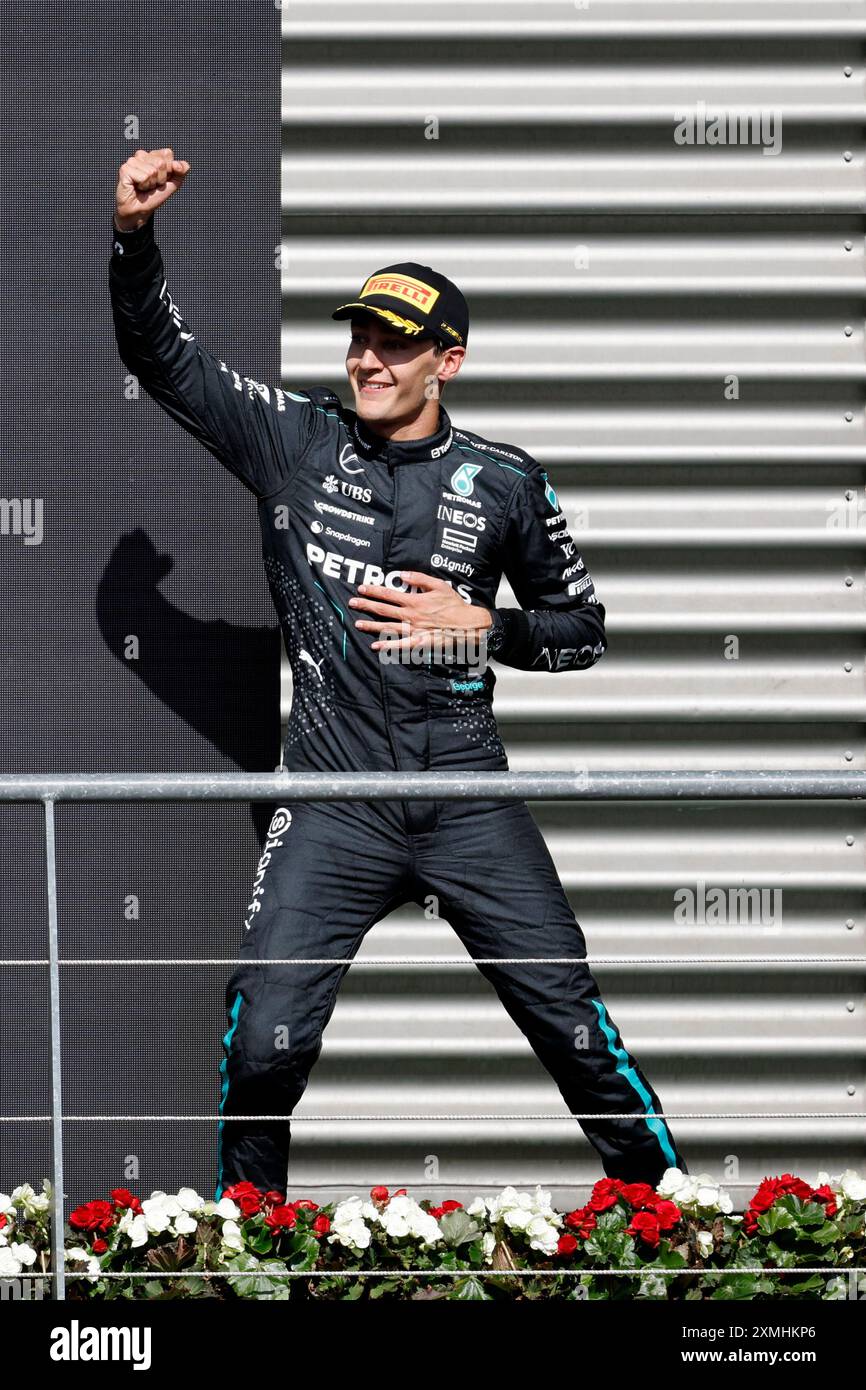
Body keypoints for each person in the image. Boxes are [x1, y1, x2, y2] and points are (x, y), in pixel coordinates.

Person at [108, 147, 687, 1200]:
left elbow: (585, 629)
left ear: (447, 362)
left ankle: (679, 1232)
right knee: (264, 1043)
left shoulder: (506, 481)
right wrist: (133, 239)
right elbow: (162, 358)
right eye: (361, 338)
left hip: (467, 792)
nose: (368, 360)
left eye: (396, 345)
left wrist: (485, 626)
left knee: (570, 1024)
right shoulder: (293, 441)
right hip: (334, 799)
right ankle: (246, 1245)